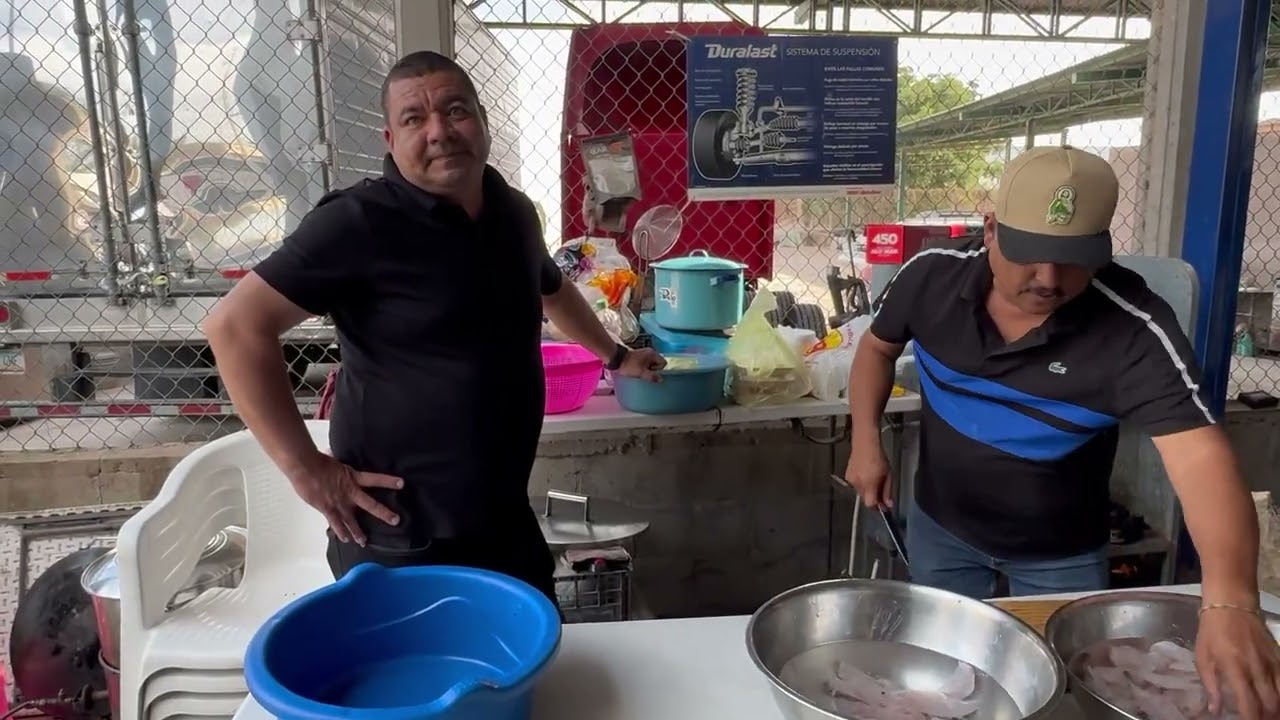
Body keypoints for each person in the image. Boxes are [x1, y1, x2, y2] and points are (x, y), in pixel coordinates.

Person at [203, 51, 665, 604]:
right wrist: (306, 469)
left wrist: (618, 357)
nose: (440, 131)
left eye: (455, 110)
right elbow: (234, 328)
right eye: (414, 118)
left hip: (503, 515)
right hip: (400, 533)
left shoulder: (512, 212)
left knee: (528, 662)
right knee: (413, 681)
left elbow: (551, 289)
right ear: (390, 139)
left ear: (482, 121)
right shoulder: (357, 223)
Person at [845, 146, 1280, 718]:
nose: (1048, 280)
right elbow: (876, 349)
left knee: (1057, 696)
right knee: (947, 682)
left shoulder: (1134, 330)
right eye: (1030, 254)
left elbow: (1201, 457)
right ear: (992, 229)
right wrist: (865, 442)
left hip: (1061, 554)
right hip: (941, 526)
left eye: (1072, 259)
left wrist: (1230, 603)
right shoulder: (929, 277)